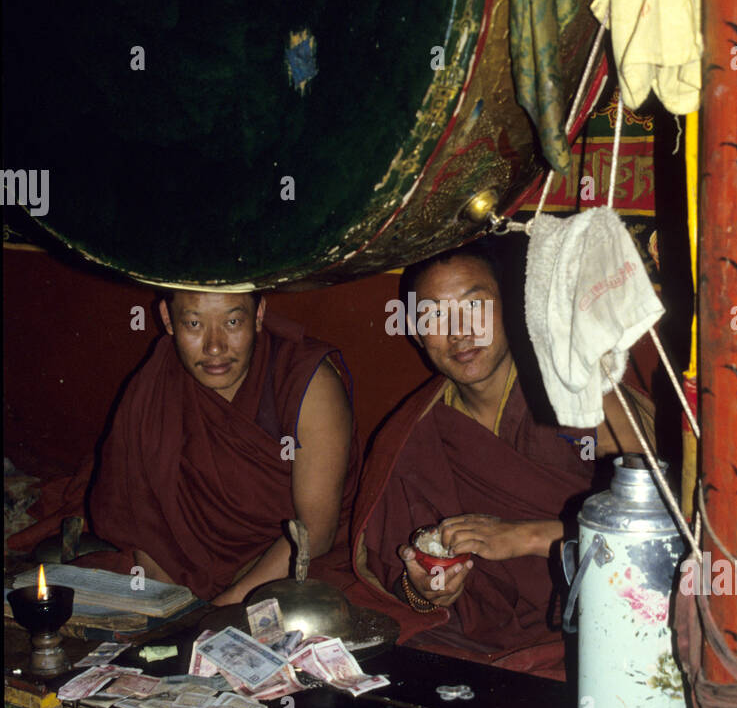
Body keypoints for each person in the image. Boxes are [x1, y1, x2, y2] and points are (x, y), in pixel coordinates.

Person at [349, 244, 655, 679]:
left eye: (475, 306)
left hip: (609, 619)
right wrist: (426, 593)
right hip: (471, 637)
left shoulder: (585, 396)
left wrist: (530, 537)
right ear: (415, 332)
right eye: (434, 315)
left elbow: (665, 528)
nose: (459, 333)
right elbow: (397, 584)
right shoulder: (414, 432)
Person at [83, 290, 360, 604]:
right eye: (193, 324)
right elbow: (144, 525)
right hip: (186, 574)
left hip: (289, 565)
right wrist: (166, 601)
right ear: (167, 319)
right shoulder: (158, 380)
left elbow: (314, 532)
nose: (215, 347)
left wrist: (220, 609)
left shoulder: (306, 381)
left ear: (258, 315)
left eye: (232, 321)